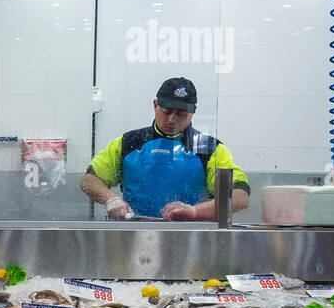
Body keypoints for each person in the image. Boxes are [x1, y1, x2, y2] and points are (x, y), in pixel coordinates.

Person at [80, 77, 250, 221]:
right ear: (155, 105)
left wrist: (195, 211)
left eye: (181, 114)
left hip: (192, 239)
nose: (172, 119)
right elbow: (89, 180)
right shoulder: (128, 142)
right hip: (133, 235)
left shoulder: (210, 149)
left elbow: (240, 197)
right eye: (166, 111)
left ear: (193, 111)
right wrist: (111, 199)